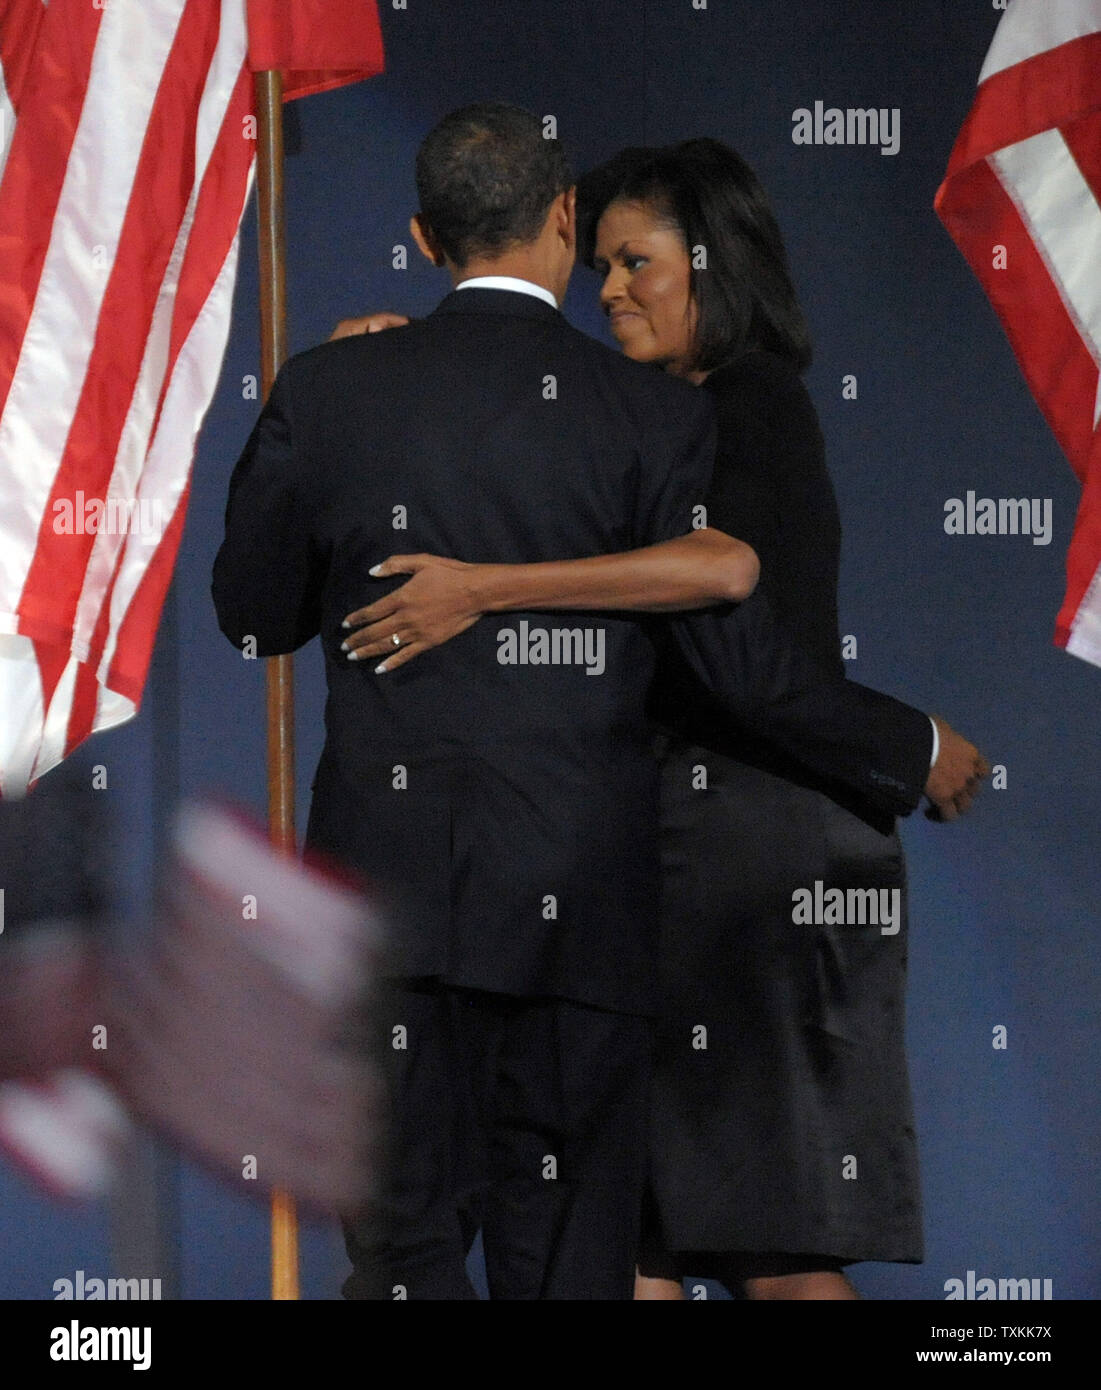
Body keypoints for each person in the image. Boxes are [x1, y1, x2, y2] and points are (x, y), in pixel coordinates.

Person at [213, 104, 984, 1300]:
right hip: (587, 915)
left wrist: (334, 428)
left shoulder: (336, 387)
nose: (617, 283)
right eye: (607, 254)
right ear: (564, 220)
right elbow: (728, 628)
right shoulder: (653, 414)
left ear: (423, 237)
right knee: (589, 1265)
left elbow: (255, 612)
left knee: (426, 1259)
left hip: (412, 911)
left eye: (644, 263)